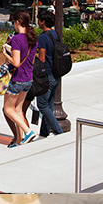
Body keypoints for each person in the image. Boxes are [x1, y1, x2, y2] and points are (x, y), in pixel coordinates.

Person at [2, 9, 38, 147]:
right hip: (29, 78)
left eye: (13, 22)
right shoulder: (33, 39)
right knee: (18, 110)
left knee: (8, 109)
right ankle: (19, 141)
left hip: (18, 79)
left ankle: (28, 132)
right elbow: (31, 61)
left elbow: (16, 62)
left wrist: (6, 54)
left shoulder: (17, 39)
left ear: (17, 22)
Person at [36, 10, 63, 138]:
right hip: (57, 73)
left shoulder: (42, 37)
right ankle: (44, 132)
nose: (38, 22)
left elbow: (42, 58)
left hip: (47, 74)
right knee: (49, 105)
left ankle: (58, 131)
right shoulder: (55, 34)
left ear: (43, 21)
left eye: (39, 20)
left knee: (42, 105)